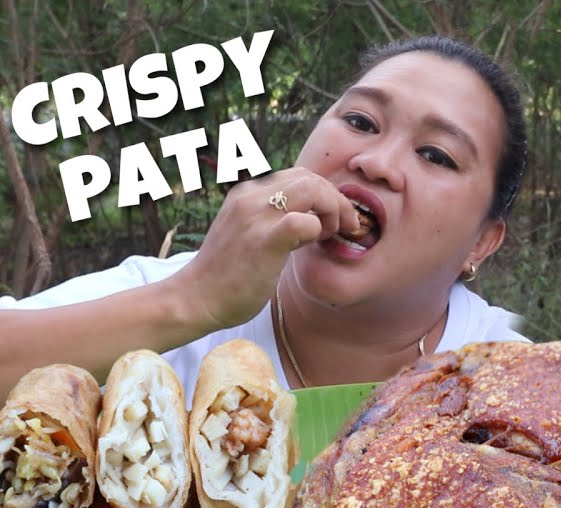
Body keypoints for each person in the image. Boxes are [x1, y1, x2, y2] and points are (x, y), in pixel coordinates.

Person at [0, 36, 529, 399]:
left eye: (436, 155)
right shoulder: (161, 301)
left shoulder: (518, 388)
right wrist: (193, 299)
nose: (375, 162)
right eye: (361, 120)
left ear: (480, 243)